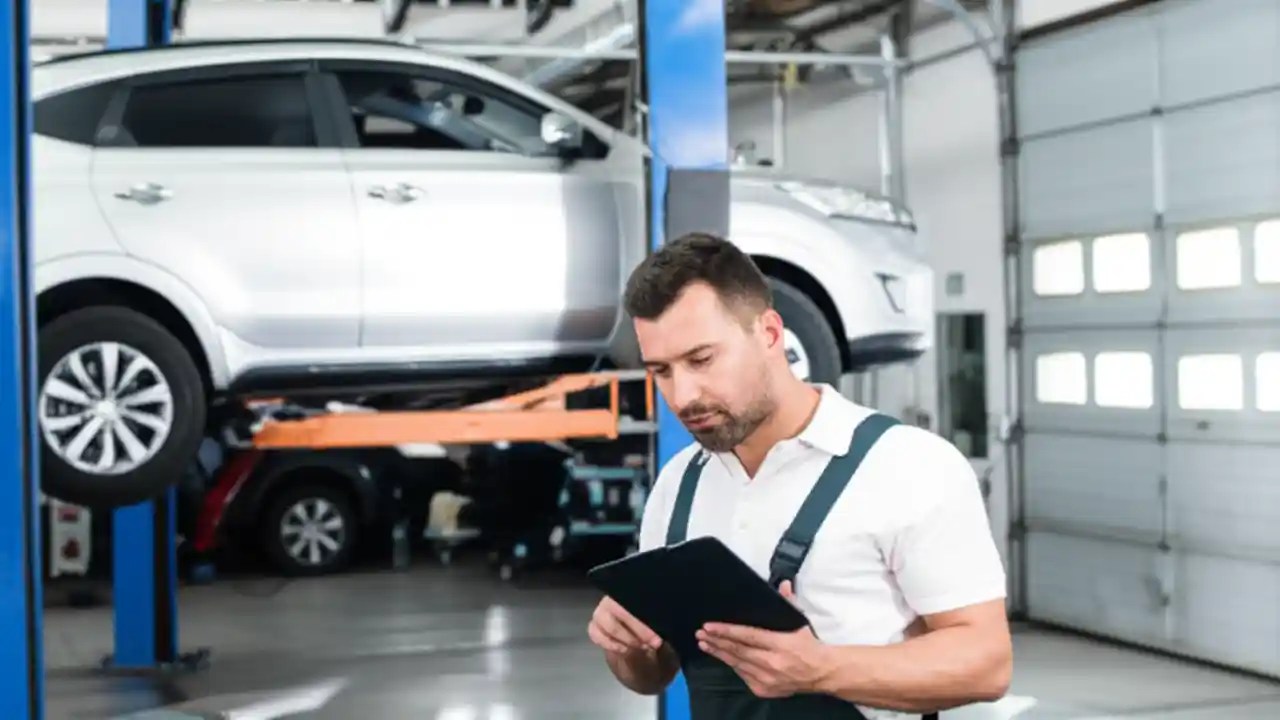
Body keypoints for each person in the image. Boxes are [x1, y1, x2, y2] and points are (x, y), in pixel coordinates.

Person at [587, 232, 1012, 719]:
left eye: (701, 360)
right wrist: (628, 648)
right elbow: (651, 676)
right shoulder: (679, 484)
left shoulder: (908, 466)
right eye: (661, 370)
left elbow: (987, 662)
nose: (683, 395)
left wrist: (822, 669)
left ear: (769, 334)